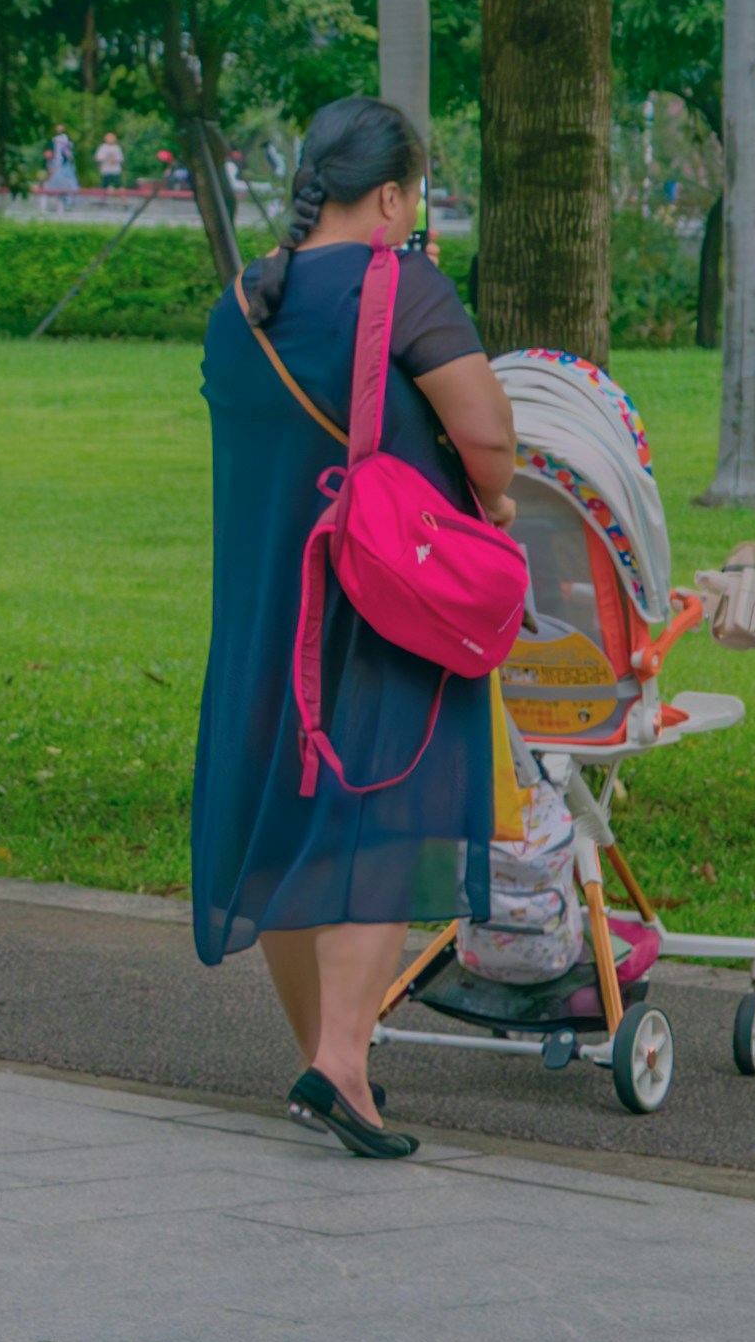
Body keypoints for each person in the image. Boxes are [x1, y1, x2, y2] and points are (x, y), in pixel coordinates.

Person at [189, 99, 516, 1157]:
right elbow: (486, 430)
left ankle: (330, 1063)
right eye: (413, 193)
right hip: (374, 602)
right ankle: (340, 1060)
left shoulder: (239, 303)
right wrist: (495, 502)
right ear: (387, 196)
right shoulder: (399, 282)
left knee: (281, 829)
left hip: (261, 608)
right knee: (381, 814)